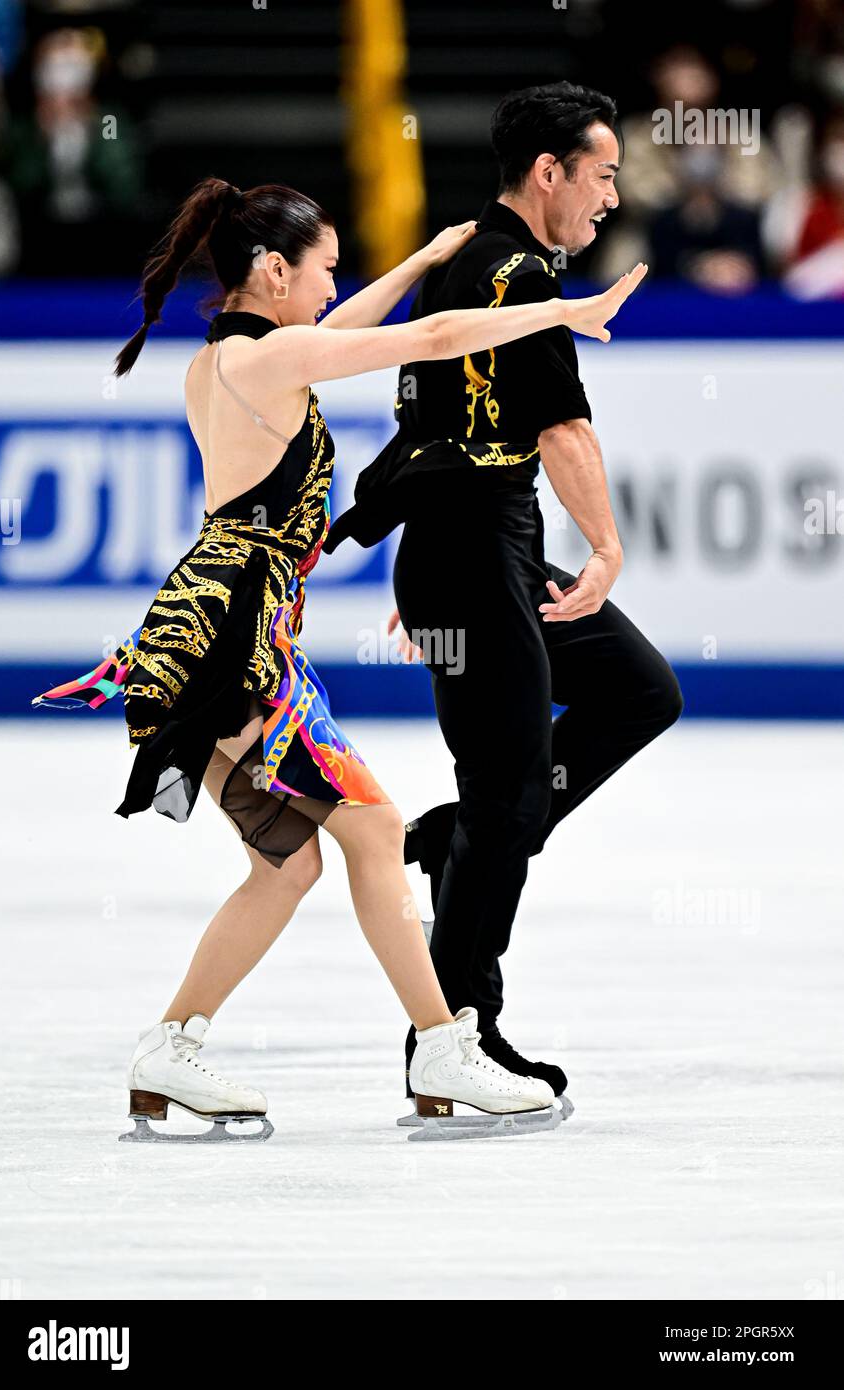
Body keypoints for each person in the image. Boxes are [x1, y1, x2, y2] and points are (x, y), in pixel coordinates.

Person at [32, 175, 646, 1141]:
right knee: (374, 827)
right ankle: (442, 1044)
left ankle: (171, 1048)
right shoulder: (276, 360)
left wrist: (424, 259)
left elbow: (341, 331)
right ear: (273, 271)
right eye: (323, 269)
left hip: (205, 631)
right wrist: (563, 312)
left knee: (287, 868)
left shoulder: (226, 362)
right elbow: (430, 340)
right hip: (237, 641)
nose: (332, 288)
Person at [322, 82, 684, 1105]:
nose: (612, 197)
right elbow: (561, 428)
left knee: (637, 690)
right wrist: (604, 548)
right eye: (602, 174)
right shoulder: (516, 274)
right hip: (473, 550)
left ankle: (460, 840)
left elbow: (427, 421)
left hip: (480, 549)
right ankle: (454, 1035)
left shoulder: (469, 261)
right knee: (507, 786)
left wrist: (433, 553)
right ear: (548, 172)